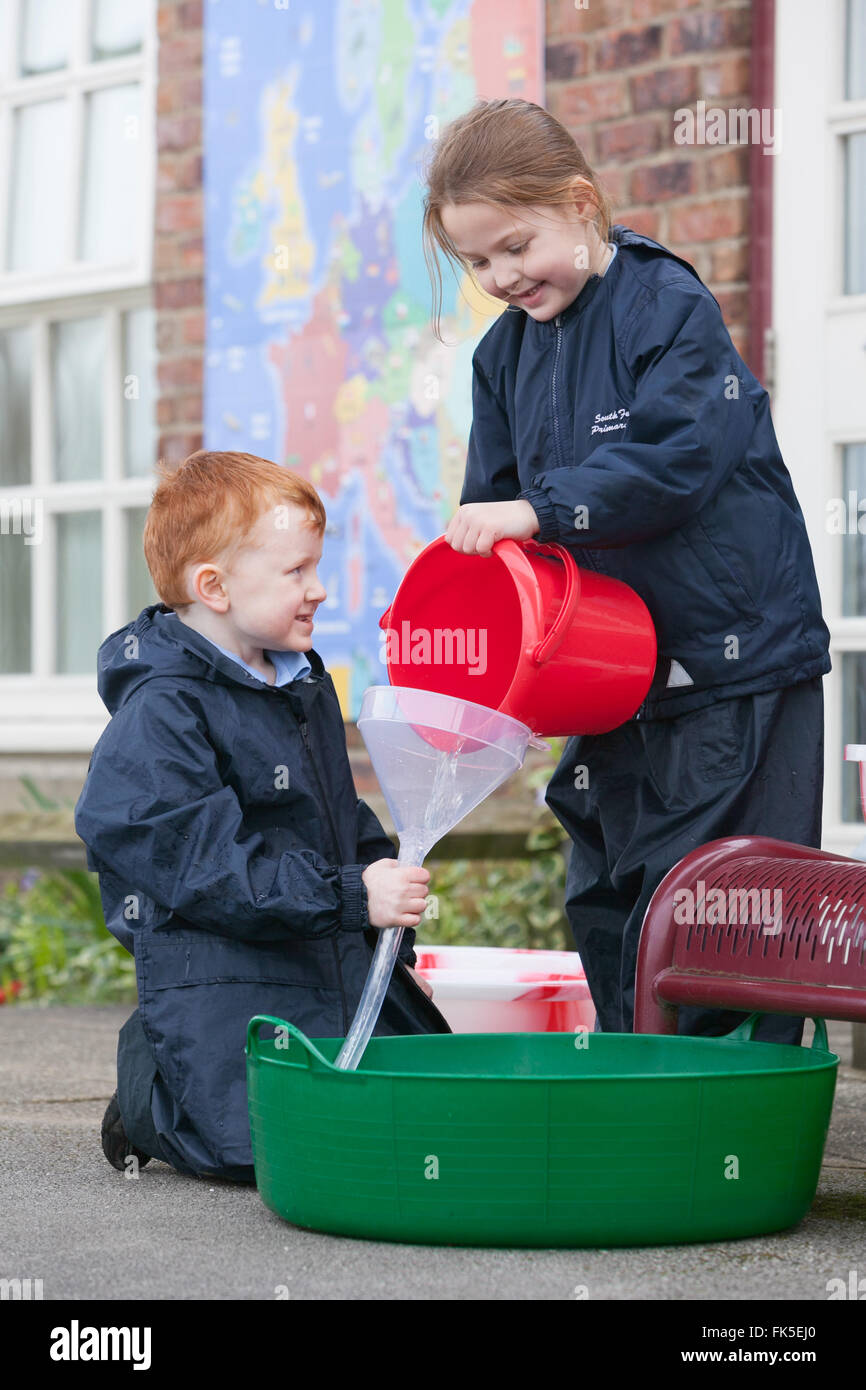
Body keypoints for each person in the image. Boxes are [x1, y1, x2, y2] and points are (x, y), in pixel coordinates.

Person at [422, 98, 831, 1041]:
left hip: (732, 666)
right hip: (610, 679)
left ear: (580, 201)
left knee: (717, 913)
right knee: (611, 899)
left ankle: (723, 1135)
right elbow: (501, 533)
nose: (502, 277)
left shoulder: (665, 306)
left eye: (516, 246)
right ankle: (640, 1112)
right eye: (477, 264)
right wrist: (485, 675)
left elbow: (676, 456)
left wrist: (542, 509)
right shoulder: (501, 360)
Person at [74, 450, 449, 1183]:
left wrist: (391, 951)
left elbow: (345, 827)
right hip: (221, 967)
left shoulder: (297, 685)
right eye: (296, 572)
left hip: (315, 949)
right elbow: (205, 866)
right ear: (213, 587)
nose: (318, 589)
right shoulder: (161, 712)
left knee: (428, 1107)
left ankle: (184, 1074)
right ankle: (155, 1091)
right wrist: (349, 895)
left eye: (317, 565)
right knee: (265, 1150)